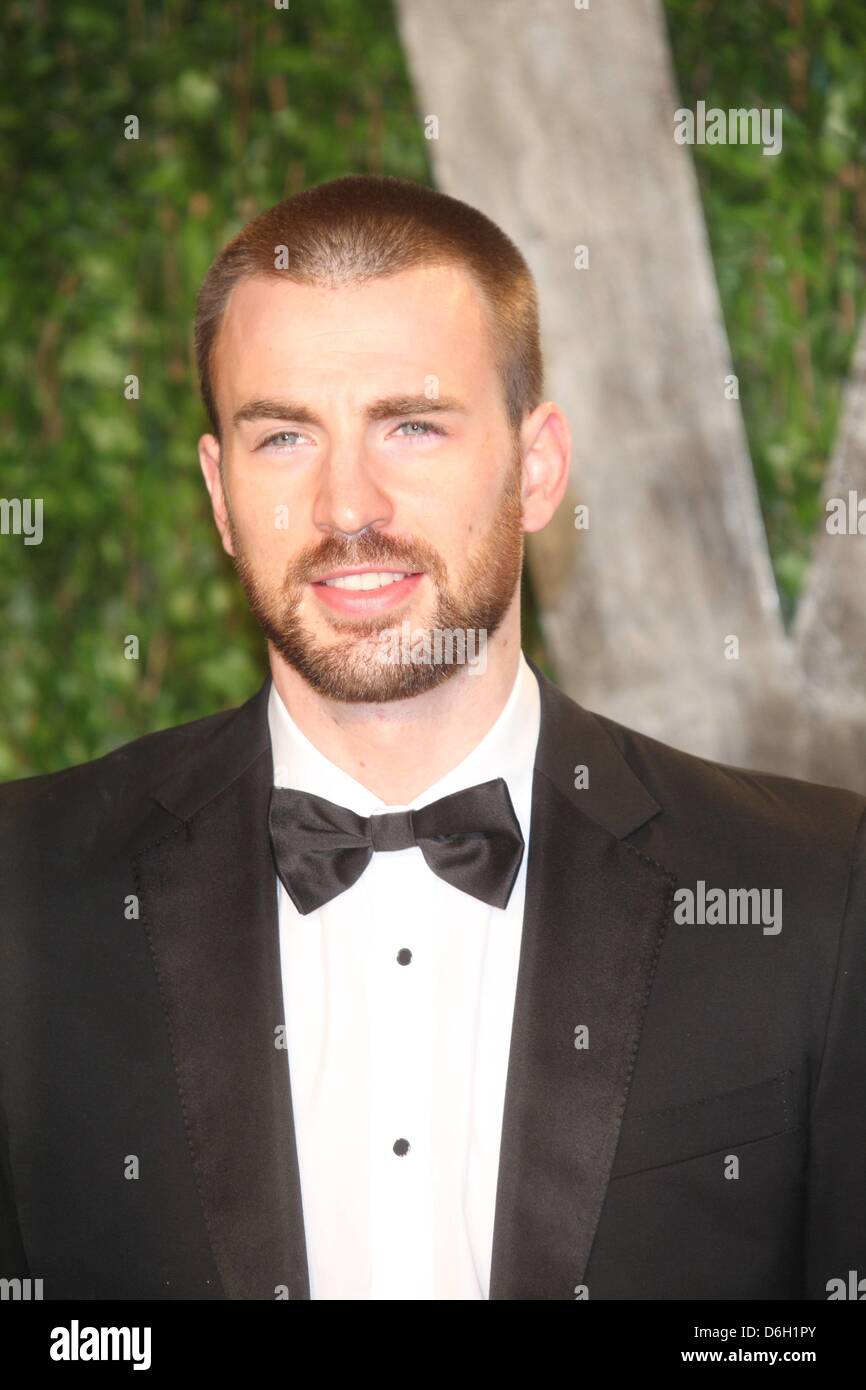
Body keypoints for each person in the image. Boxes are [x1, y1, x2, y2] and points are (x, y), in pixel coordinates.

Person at [1, 175, 864, 1301]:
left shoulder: (810, 892)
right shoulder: (23, 893)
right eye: (282, 437)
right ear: (217, 493)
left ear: (535, 469)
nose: (345, 504)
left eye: (410, 425)